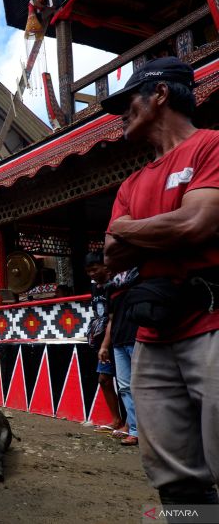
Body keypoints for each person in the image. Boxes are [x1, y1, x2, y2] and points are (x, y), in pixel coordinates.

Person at [102, 56, 219, 505]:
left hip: (211, 322)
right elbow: (112, 255)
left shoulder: (210, 146)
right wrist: (166, 227)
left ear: (161, 94)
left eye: (129, 101)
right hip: (153, 334)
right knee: (174, 476)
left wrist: (130, 229)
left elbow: (196, 225)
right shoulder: (131, 182)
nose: (122, 114)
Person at [98, 268, 140, 446]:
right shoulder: (111, 287)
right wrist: (105, 345)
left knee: (142, 386)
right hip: (119, 341)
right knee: (125, 387)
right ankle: (135, 430)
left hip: (138, 338)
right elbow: (111, 319)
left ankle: (146, 430)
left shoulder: (139, 275)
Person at [84, 252, 123, 432]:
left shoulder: (114, 285)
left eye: (94, 269)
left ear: (105, 267)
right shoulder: (95, 288)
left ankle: (131, 424)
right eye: (88, 271)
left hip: (116, 338)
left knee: (124, 382)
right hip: (102, 340)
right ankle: (116, 420)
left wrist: (105, 345)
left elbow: (112, 318)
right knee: (104, 380)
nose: (91, 274)